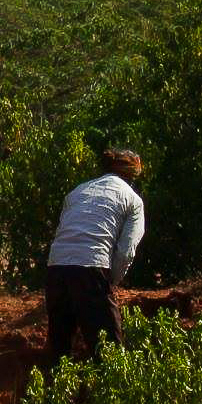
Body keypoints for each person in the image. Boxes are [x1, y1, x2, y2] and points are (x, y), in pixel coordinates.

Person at [45, 148, 145, 362]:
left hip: (55, 269)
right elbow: (127, 251)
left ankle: (54, 393)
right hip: (91, 268)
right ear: (132, 177)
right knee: (110, 356)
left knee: (58, 352)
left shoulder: (77, 191)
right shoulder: (133, 200)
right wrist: (111, 282)